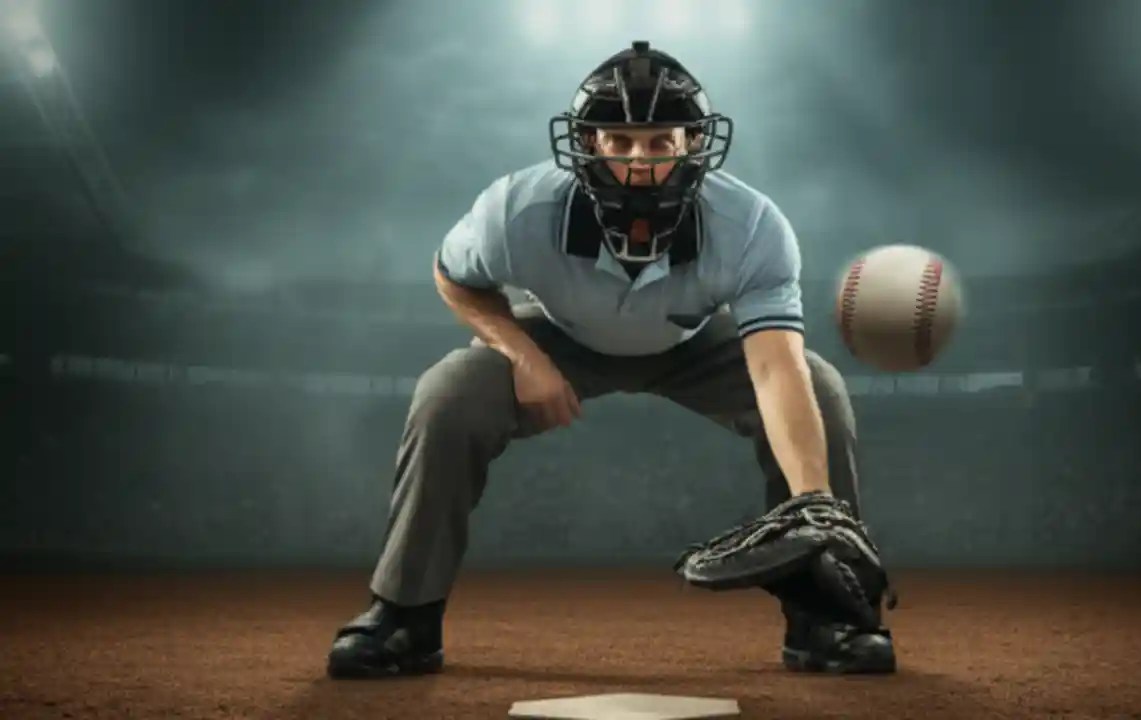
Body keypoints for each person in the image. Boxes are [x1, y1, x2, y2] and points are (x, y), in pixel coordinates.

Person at [326, 41, 895, 679]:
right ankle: (405, 613)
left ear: (693, 144)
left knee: (819, 387)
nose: (638, 163)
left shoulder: (752, 225)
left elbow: (774, 365)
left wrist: (813, 501)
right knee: (448, 393)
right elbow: (453, 276)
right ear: (587, 144)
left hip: (692, 341)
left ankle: (828, 616)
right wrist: (521, 353)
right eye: (618, 141)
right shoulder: (516, 210)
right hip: (561, 335)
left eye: (659, 142)